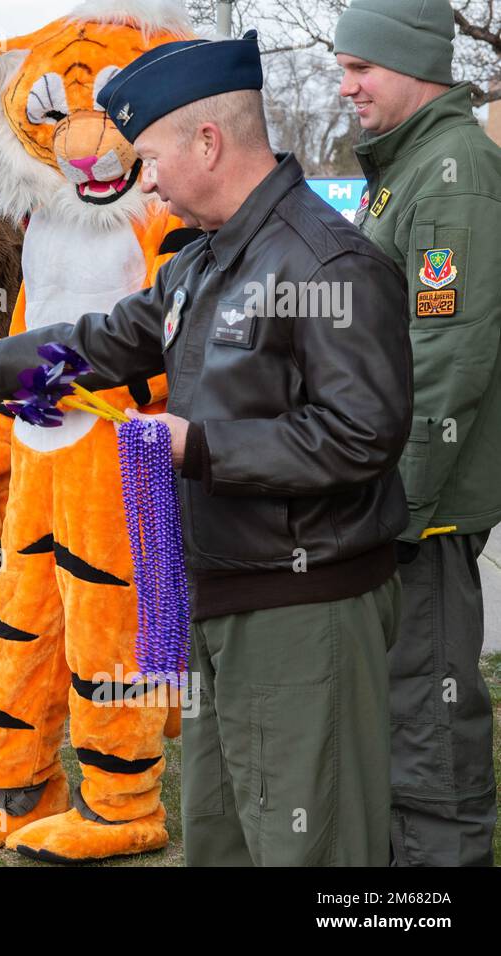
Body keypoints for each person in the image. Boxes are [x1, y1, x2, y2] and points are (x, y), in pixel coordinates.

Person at [0, 31, 415, 866]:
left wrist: (197, 446)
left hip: (303, 611)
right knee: (225, 842)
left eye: (151, 154)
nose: (144, 177)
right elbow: (92, 342)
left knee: (315, 846)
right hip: (217, 593)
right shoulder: (204, 263)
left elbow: (361, 437)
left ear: (209, 140)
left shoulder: (325, 262)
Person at [335, 0, 501, 867]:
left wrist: (396, 504)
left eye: (362, 67)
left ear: (415, 65)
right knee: (404, 712)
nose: (346, 84)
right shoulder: (412, 164)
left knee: (431, 724)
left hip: (421, 508)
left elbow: (449, 354)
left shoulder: (453, 171)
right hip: (401, 495)